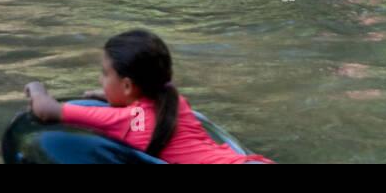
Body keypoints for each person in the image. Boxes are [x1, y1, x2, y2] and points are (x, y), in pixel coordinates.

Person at [24, 29, 273, 164]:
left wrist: (36, 87)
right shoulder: (176, 101)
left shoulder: (126, 118)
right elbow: (145, 107)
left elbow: (46, 110)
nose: (100, 80)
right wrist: (108, 96)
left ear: (128, 86)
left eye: (104, 74)